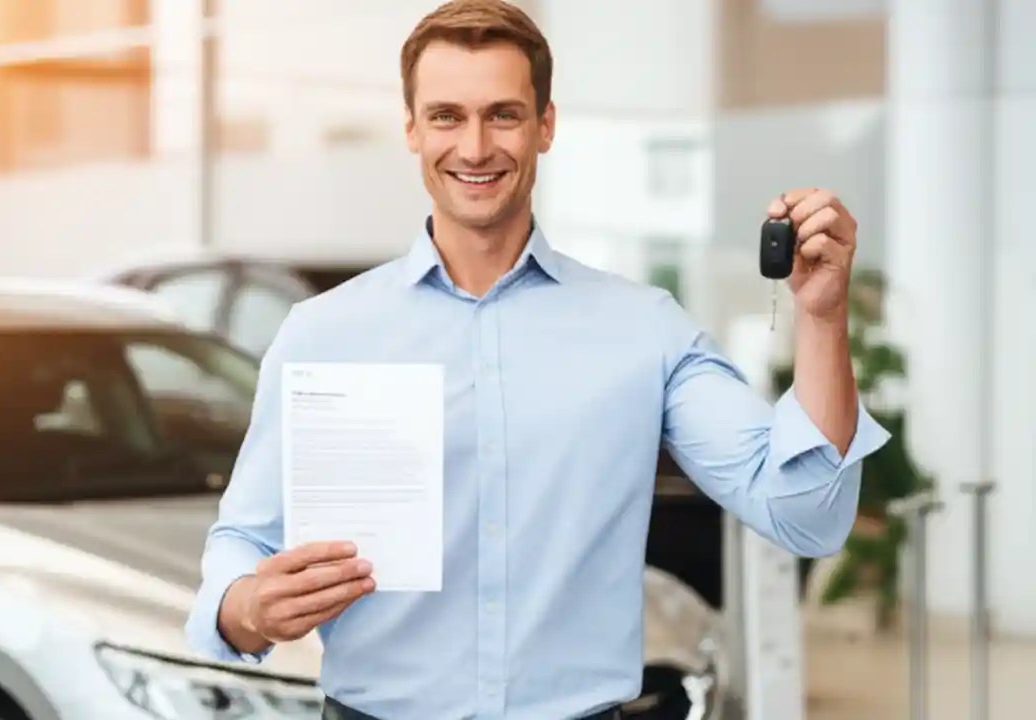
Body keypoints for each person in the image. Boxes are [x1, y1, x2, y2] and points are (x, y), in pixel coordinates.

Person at [184, 1, 891, 718]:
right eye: (446, 116)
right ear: (411, 129)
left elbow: (807, 515)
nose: (475, 146)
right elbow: (243, 539)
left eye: (503, 114)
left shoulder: (643, 331)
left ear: (545, 124)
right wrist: (246, 606)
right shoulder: (323, 333)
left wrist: (823, 318)